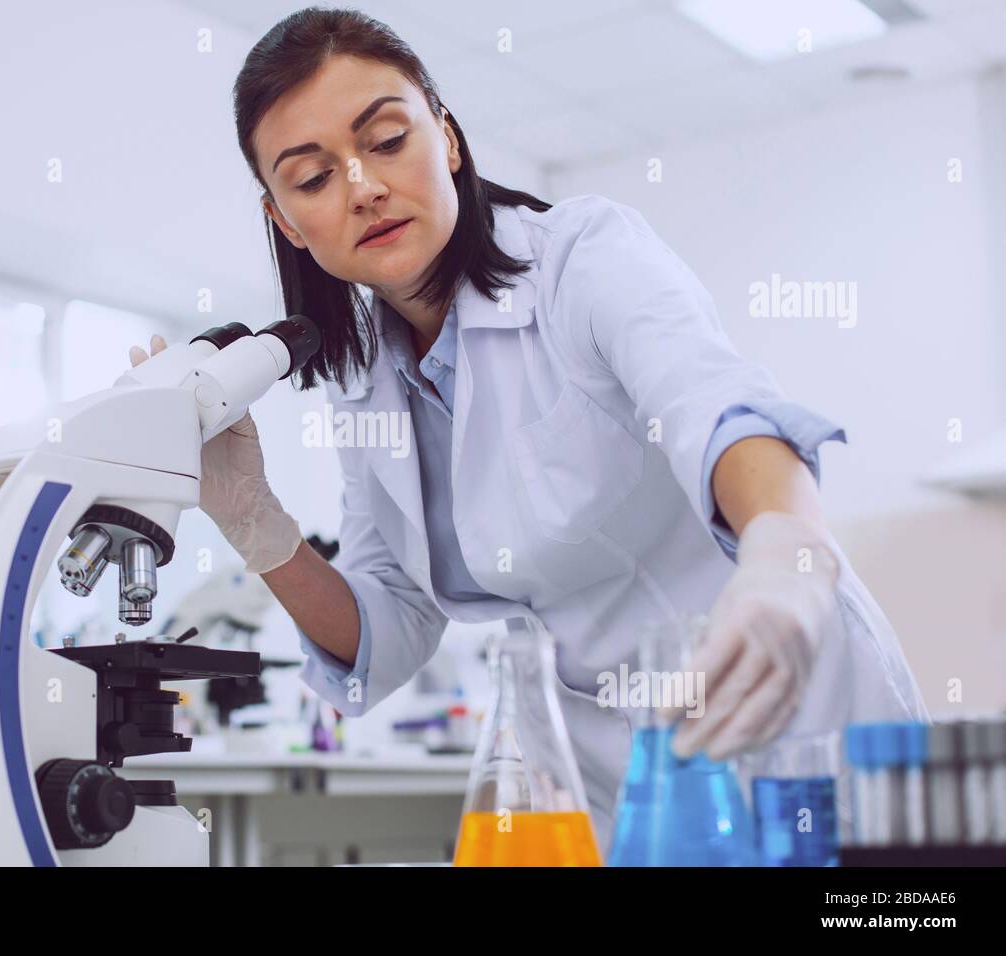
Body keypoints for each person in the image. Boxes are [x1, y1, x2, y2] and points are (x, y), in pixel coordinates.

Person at [130, 8, 927, 847]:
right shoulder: (368, 383)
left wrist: (785, 565)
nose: (362, 185)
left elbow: (718, 409)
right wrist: (256, 522)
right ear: (287, 223)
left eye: (389, 139)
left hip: (791, 715)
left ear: (448, 138)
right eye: (314, 178)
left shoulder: (582, 260)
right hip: (619, 784)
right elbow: (386, 628)